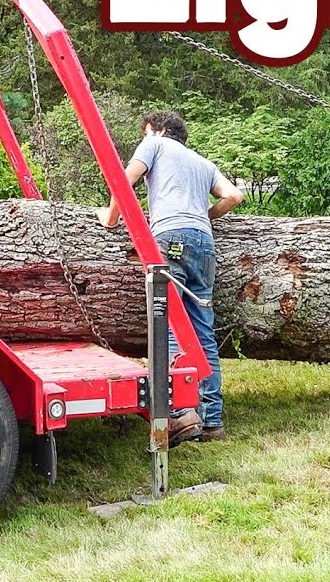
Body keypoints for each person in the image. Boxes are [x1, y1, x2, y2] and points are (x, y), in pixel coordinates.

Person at [98, 111, 244, 446]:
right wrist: (202, 216)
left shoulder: (155, 144)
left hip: (170, 239)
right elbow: (234, 196)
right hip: (204, 243)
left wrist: (110, 217)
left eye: (147, 131)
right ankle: (211, 421)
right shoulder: (203, 163)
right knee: (203, 332)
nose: (145, 135)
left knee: (170, 326)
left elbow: (124, 179)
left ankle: (181, 413)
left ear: (160, 131)